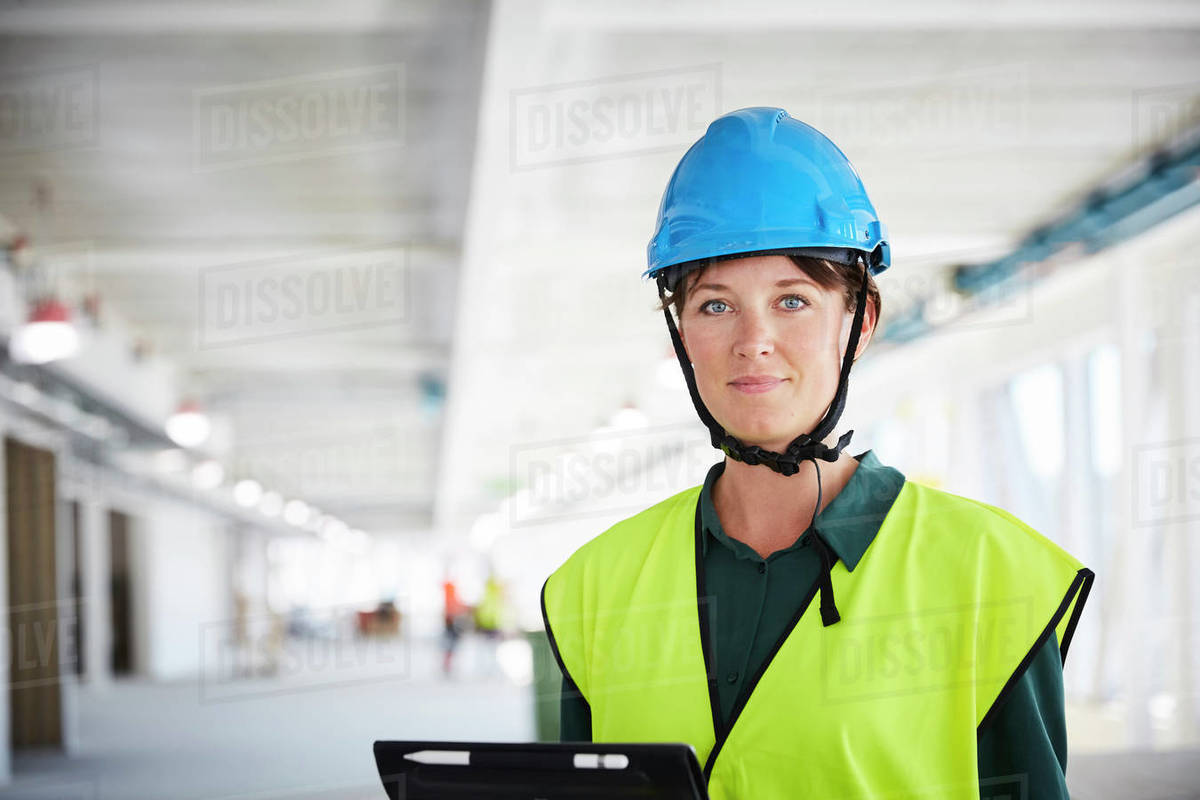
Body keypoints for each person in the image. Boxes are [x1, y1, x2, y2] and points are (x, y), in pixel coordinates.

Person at [540, 108, 1094, 799]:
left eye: (793, 301)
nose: (754, 340)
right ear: (680, 334)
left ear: (859, 323)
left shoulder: (993, 579)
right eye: (715, 306)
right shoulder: (593, 591)